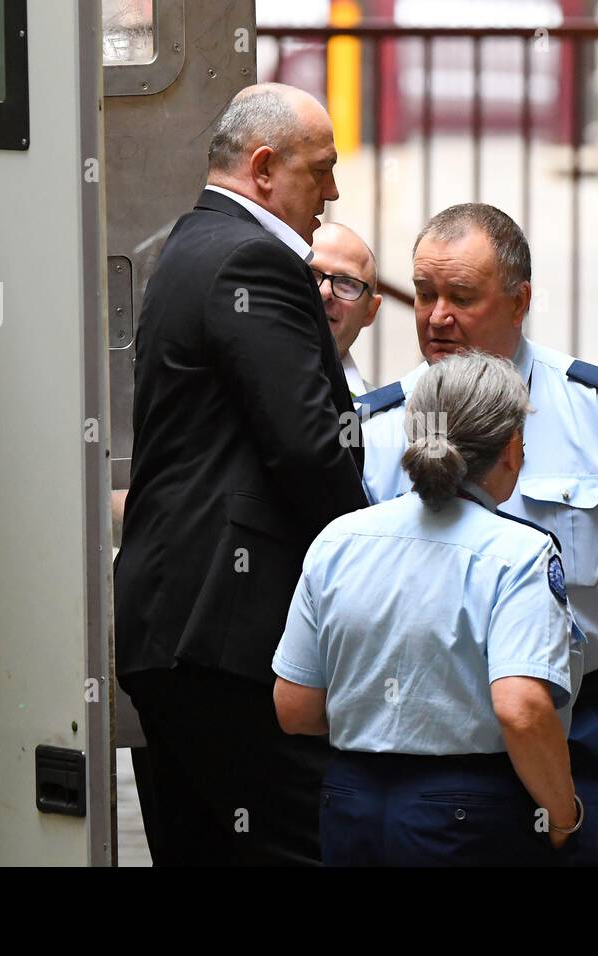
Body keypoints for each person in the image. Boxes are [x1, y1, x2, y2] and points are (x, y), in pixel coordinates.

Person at [356, 203, 598, 866]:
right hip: (444, 737)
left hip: (591, 724)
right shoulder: (381, 428)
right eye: (423, 293)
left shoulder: (594, 411)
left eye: (461, 297)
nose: (436, 317)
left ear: (519, 300)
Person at [113, 83, 369, 866]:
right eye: (320, 170)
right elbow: (307, 447)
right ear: (264, 167)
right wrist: (375, 554)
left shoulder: (192, 245)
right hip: (225, 632)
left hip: (176, 627)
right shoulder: (253, 257)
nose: (331, 191)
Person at [273, 351, 585, 866]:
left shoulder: (338, 540)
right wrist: (562, 816)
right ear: (510, 449)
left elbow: (295, 708)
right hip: (469, 812)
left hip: (351, 805)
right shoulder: (519, 555)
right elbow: (521, 709)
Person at [309, 221, 382, 397]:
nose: (325, 292)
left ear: (370, 311)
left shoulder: (387, 419)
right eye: (310, 273)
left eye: (346, 283)